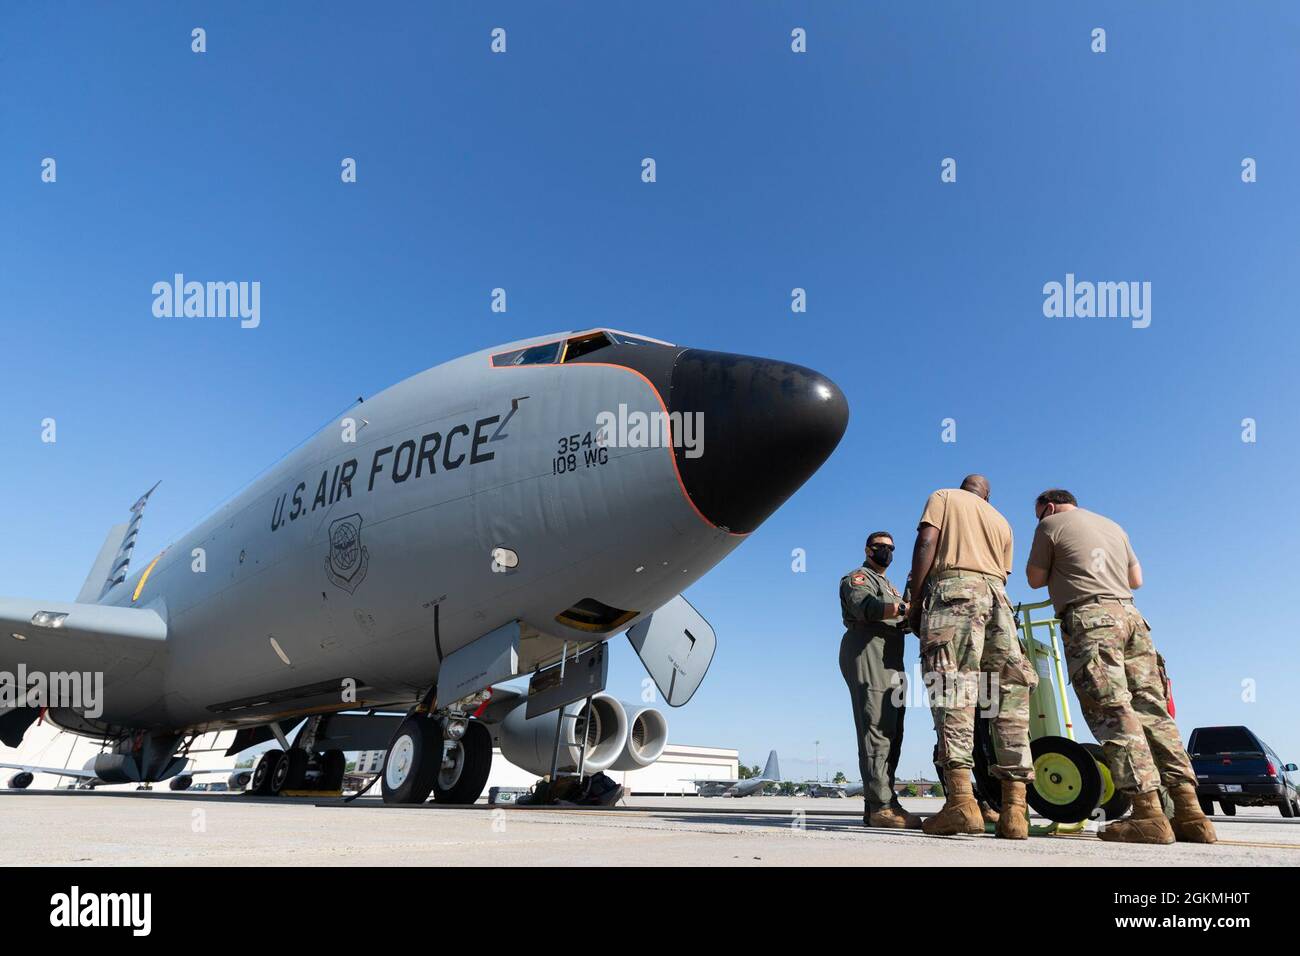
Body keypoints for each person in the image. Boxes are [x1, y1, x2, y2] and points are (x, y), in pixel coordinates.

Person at [1025, 489, 1216, 844]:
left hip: (1091, 618)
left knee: (1112, 712)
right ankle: (1191, 813)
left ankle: (1148, 815)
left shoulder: (1050, 524)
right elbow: (1136, 580)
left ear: (1048, 507)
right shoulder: (1114, 526)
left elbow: (1034, 578)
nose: (1040, 519)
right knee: (1153, 712)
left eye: (1039, 513)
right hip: (1132, 618)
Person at [906, 475, 1037, 839]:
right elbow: (1004, 574)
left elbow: (927, 541)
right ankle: (1014, 812)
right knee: (1009, 699)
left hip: (954, 591)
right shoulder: (1001, 521)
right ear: (987, 494)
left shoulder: (943, 496)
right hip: (998, 600)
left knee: (952, 692)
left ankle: (962, 804)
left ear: (964, 488)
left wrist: (916, 601)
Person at [839, 532, 921, 828]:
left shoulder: (890, 586)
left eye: (890, 548)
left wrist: (911, 595)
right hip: (867, 648)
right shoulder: (859, 578)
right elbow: (867, 608)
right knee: (875, 726)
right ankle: (880, 806)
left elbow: (904, 621)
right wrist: (902, 607)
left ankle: (885, 801)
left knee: (893, 728)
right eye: (880, 547)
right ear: (868, 549)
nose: (886, 552)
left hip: (890, 655)